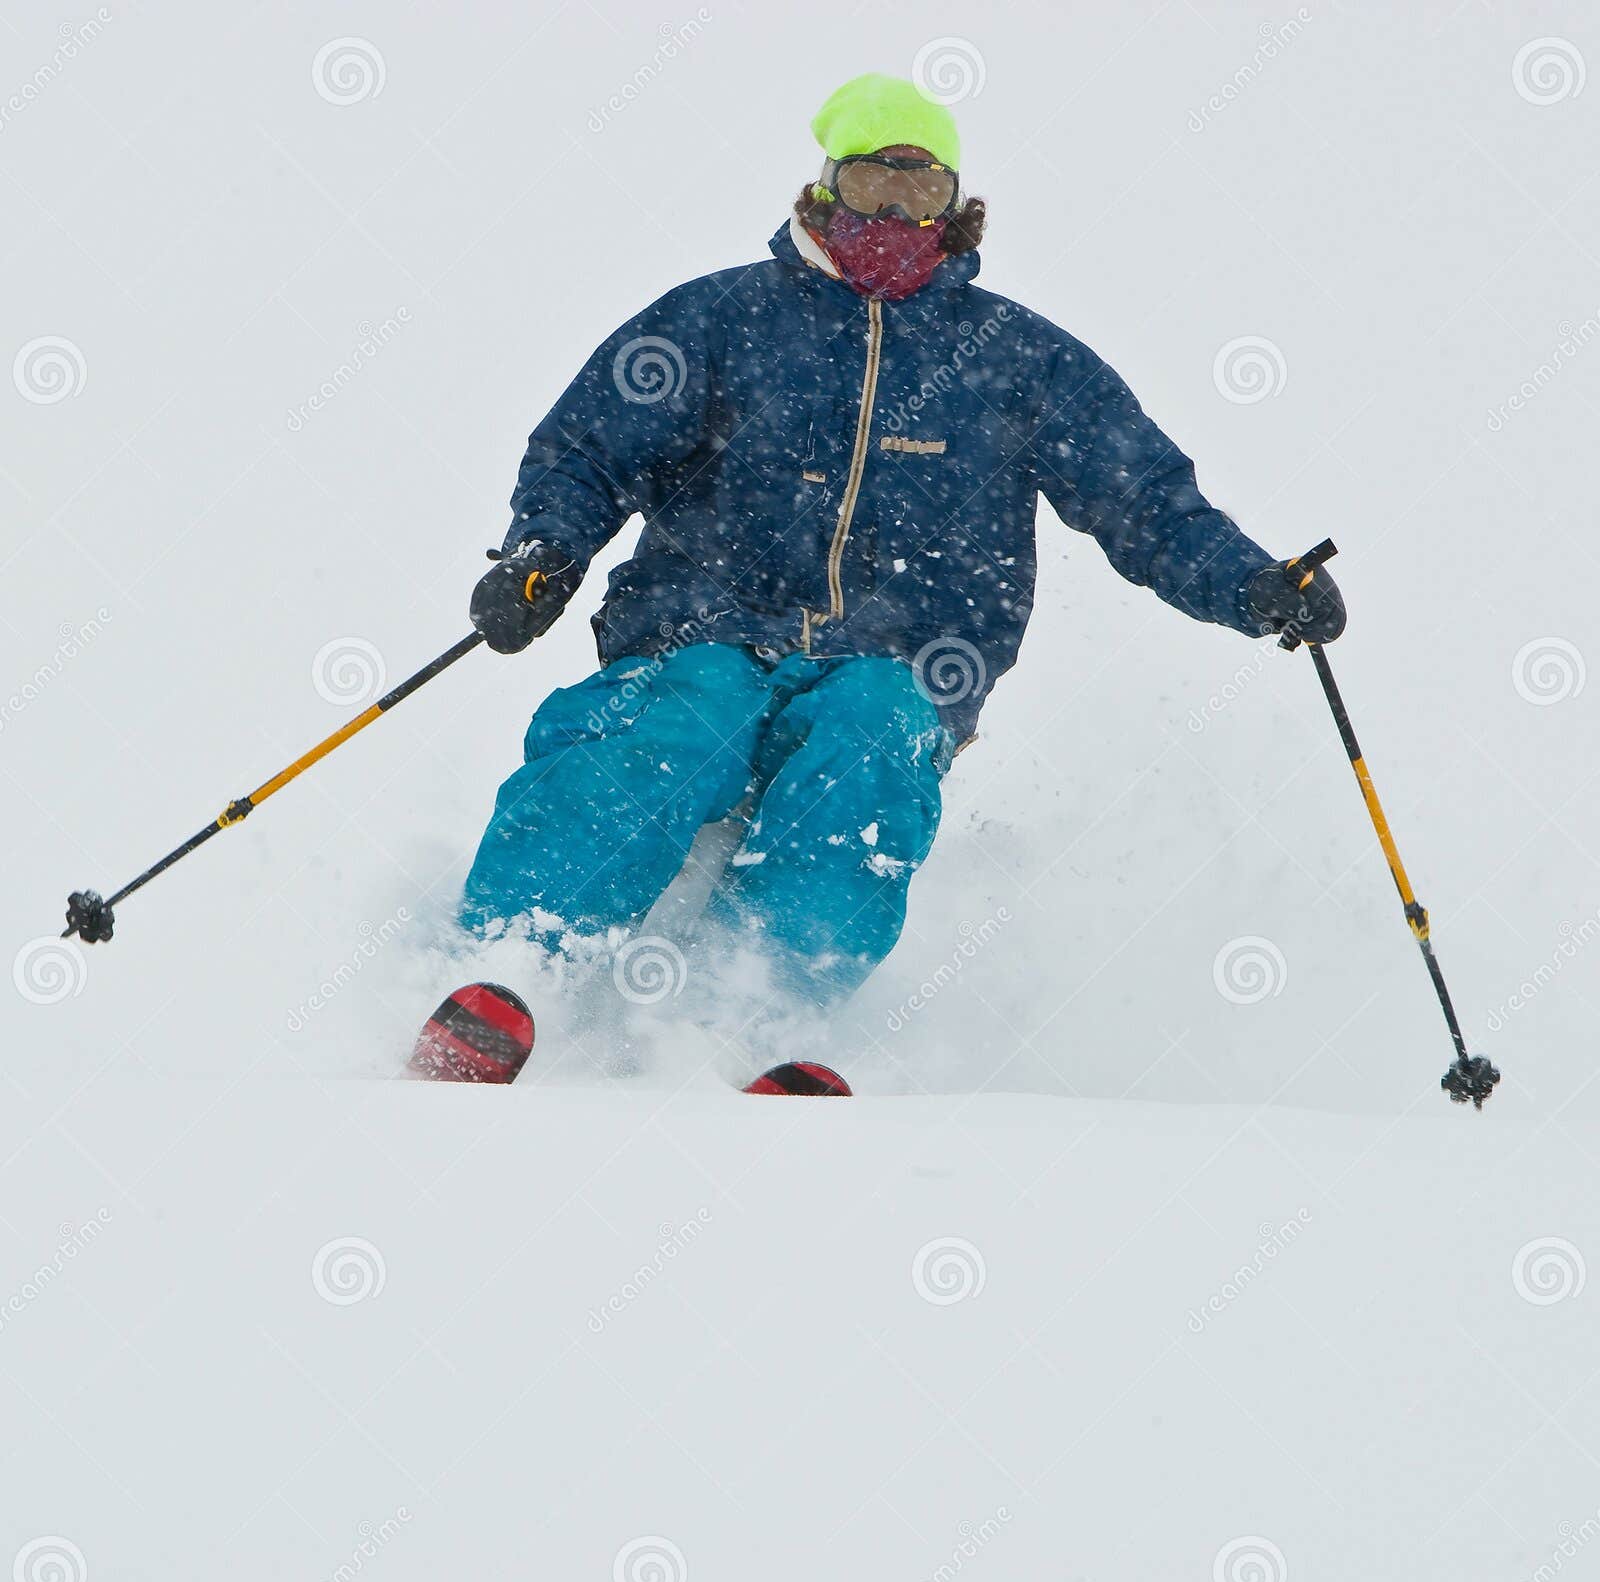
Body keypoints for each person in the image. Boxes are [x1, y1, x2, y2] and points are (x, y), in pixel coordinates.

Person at [461, 71, 1345, 1010]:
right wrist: (542, 555)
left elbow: (1144, 500)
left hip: (908, 656)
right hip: (700, 628)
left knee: (873, 731)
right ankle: (510, 968)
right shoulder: (720, 319)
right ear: (822, 190)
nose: (892, 212)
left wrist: (1253, 583)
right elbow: (591, 449)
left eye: (921, 193)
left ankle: (759, 1011)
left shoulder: (1016, 357)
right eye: (868, 185)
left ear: (956, 209)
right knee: (682, 720)